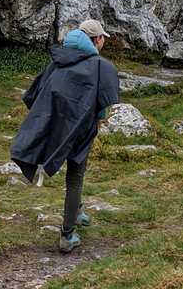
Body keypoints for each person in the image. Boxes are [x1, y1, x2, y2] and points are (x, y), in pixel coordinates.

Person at [10, 19, 119, 253]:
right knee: (75, 177)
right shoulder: (101, 66)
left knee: (74, 177)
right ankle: (67, 234)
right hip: (81, 130)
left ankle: (76, 212)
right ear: (97, 40)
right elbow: (102, 107)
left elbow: (34, 94)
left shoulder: (58, 60)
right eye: (103, 38)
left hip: (55, 128)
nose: (103, 42)